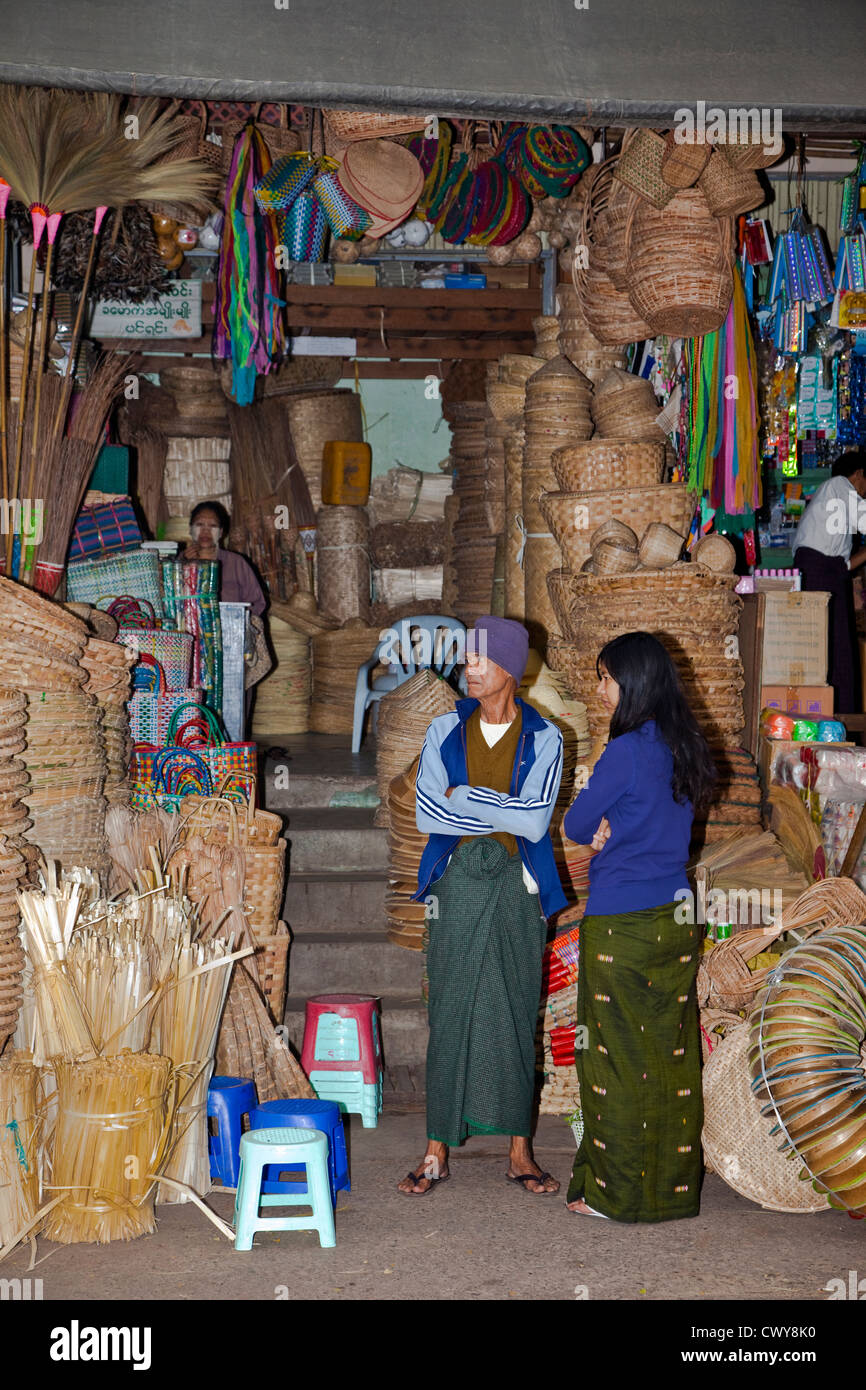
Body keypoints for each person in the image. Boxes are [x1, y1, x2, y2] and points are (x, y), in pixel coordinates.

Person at [398, 615, 567, 1198]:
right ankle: (435, 1149)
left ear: (511, 670)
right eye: (466, 658)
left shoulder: (546, 737)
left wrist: (464, 797)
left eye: (480, 658)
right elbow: (426, 814)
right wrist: (502, 808)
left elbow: (536, 820)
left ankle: (521, 1151)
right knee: (448, 1010)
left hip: (520, 887)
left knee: (518, 1009)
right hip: (455, 884)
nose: (468, 667)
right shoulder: (443, 729)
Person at [562, 631, 716, 1223]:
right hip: (677, 920)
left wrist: (602, 832)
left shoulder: (624, 750)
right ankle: (673, 1193)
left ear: (631, 683)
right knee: (672, 1056)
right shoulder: (684, 744)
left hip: (622, 923)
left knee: (615, 1061)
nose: (601, 689)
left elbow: (577, 824)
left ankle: (618, 1195)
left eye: (605, 677)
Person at [792, 450, 866, 714]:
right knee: (832, 650)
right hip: (820, 574)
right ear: (858, 475)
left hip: (825, 573)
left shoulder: (833, 500)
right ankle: (837, 715)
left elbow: (842, 565)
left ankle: (837, 716)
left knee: (834, 649)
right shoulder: (839, 486)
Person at [183, 501, 267, 617]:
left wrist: (238, 620)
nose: (206, 531)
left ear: (221, 532)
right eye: (199, 524)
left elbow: (257, 602)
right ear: (190, 529)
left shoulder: (236, 563)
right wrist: (185, 566)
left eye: (213, 525)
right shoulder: (180, 562)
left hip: (233, 629)